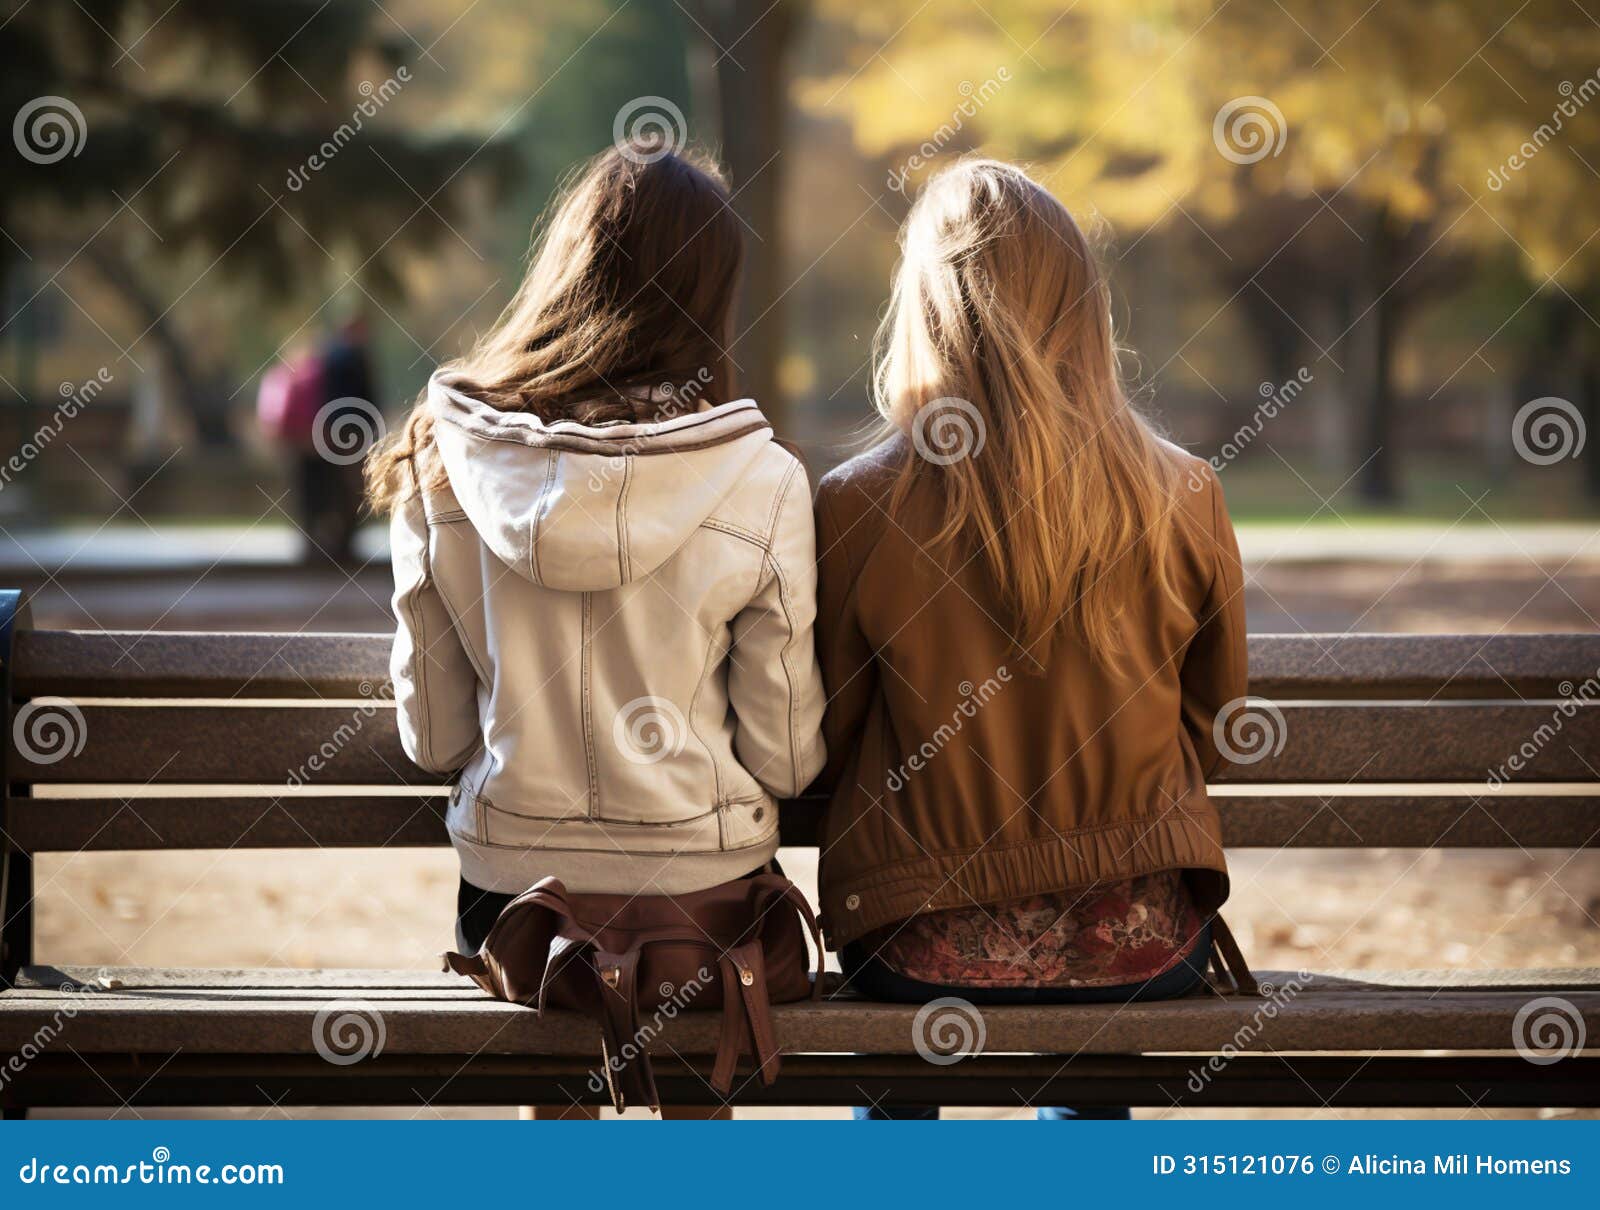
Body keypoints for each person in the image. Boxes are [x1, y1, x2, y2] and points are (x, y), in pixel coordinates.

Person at [364, 140, 826, 1120]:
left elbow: (433, 739)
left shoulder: (442, 464)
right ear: (712, 297)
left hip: (519, 909)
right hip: (699, 909)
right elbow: (786, 760)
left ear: (563, 273)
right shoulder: (761, 478)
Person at [810, 158, 1250, 1120]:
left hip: (916, 938)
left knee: (895, 1093)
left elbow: (830, 736)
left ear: (927, 304)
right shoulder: (1183, 493)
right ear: (1082, 307)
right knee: (1092, 1076)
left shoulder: (855, 506)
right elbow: (1218, 725)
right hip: (1138, 939)